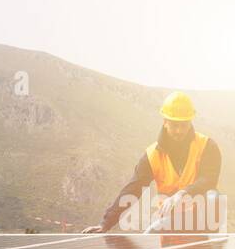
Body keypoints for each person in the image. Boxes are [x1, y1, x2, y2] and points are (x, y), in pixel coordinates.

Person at [82, 91, 224, 233]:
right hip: (169, 217)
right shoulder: (152, 155)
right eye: (175, 125)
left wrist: (181, 194)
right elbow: (134, 188)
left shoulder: (207, 146)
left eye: (184, 125)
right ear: (165, 122)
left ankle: (210, 242)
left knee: (214, 197)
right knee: (155, 233)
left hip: (200, 218)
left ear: (190, 122)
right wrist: (106, 223)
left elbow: (208, 179)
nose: (179, 131)